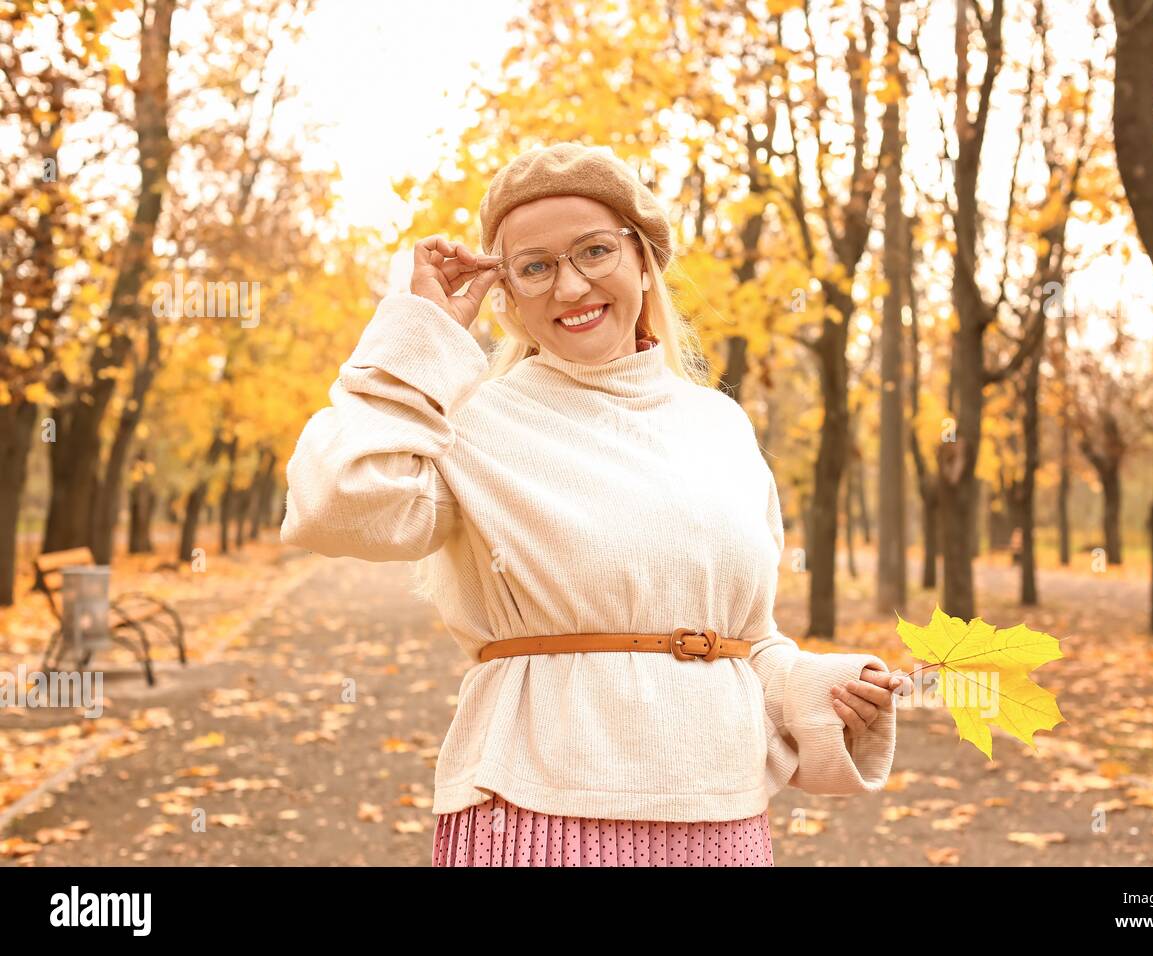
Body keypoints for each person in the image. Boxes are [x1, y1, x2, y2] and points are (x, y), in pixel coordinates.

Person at [281, 142, 910, 867]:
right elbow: (333, 504)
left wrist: (811, 682)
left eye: (594, 252)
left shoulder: (720, 425)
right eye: (535, 267)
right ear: (507, 293)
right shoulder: (474, 419)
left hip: (720, 814)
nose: (570, 286)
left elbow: (744, 638)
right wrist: (424, 332)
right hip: (536, 811)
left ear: (643, 259)